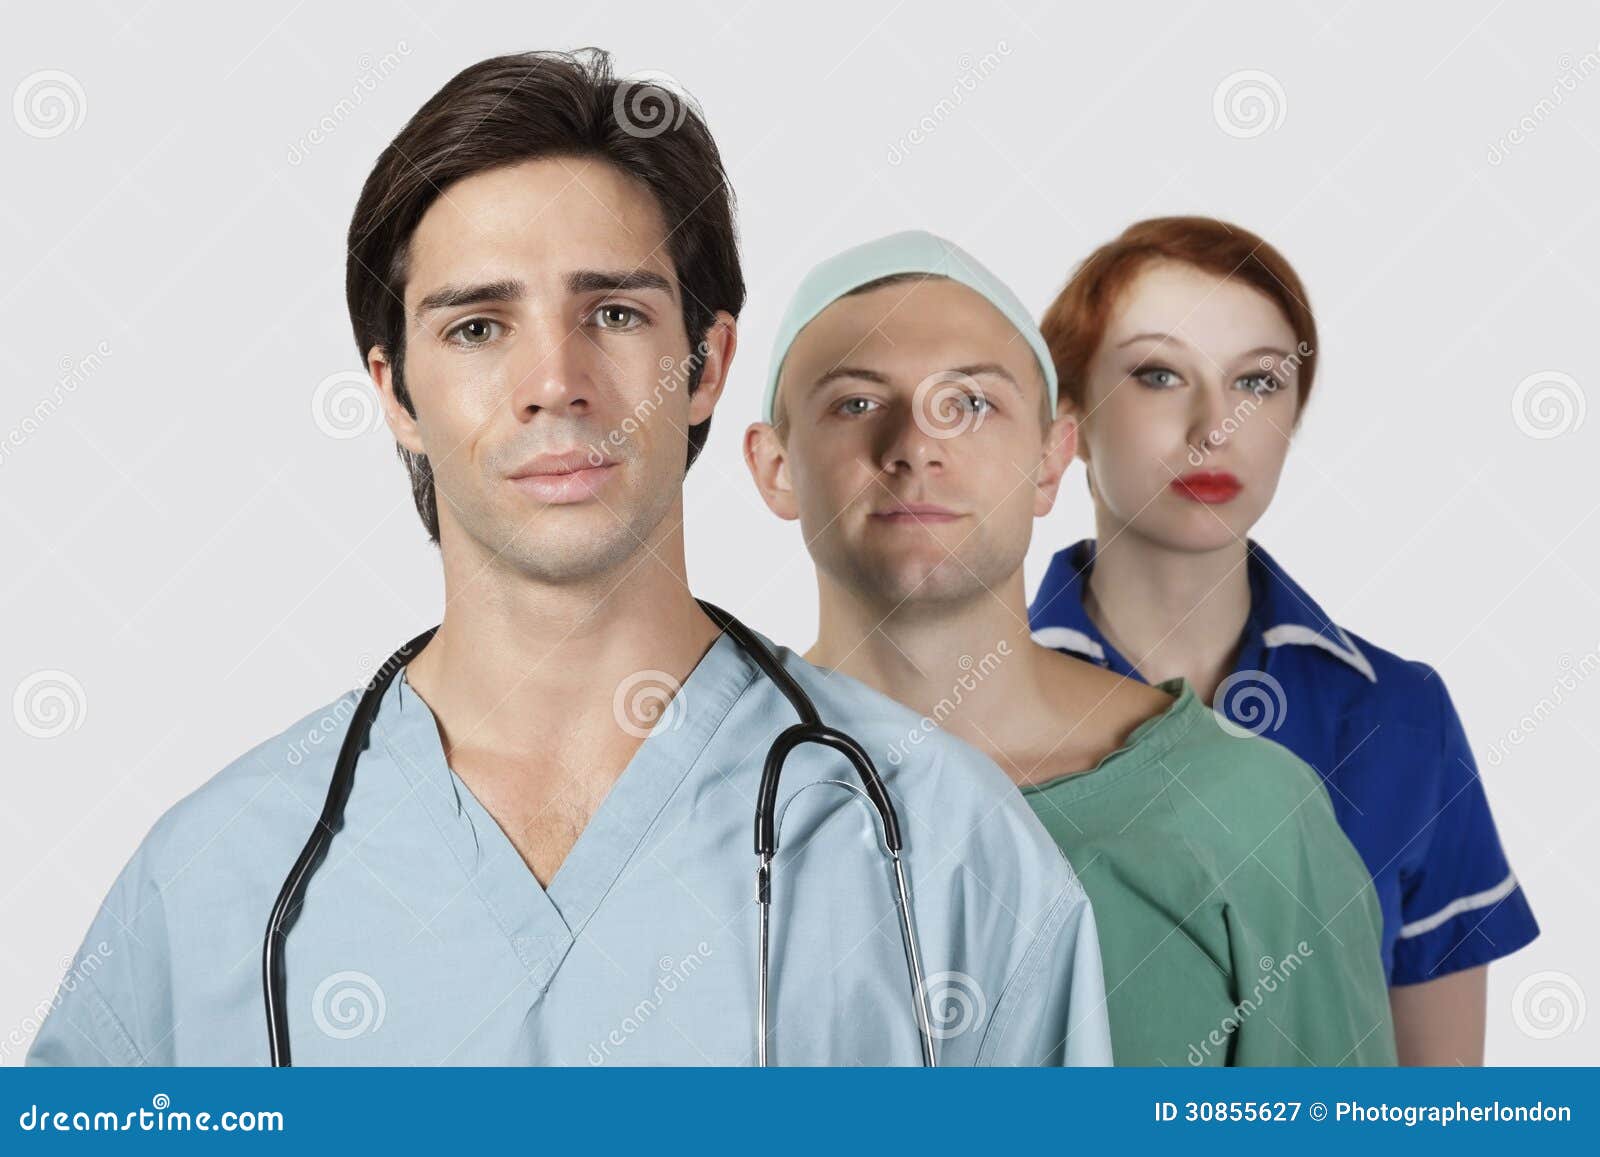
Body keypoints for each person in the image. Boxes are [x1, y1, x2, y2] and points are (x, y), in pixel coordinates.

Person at [26, 52, 1111, 1067]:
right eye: (476, 327)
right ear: (395, 393)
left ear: (706, 364)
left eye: (614, 312)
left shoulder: (942, 847)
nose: (555, 380)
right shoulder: (217, 881)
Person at [742, 229, 1396, 1065]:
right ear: (776, 467)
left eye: (970, 403)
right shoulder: (685, 797)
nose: (915, 446)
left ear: (1051, 460)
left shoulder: (1247, 812)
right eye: (857, 403)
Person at [1027, 216, 1539, 1064]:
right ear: (1067, 417)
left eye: (1257, 382)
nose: (1214, 425)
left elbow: (1439, 1111)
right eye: (1158, 374)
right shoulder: (959, 712)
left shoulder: (1401, 717)